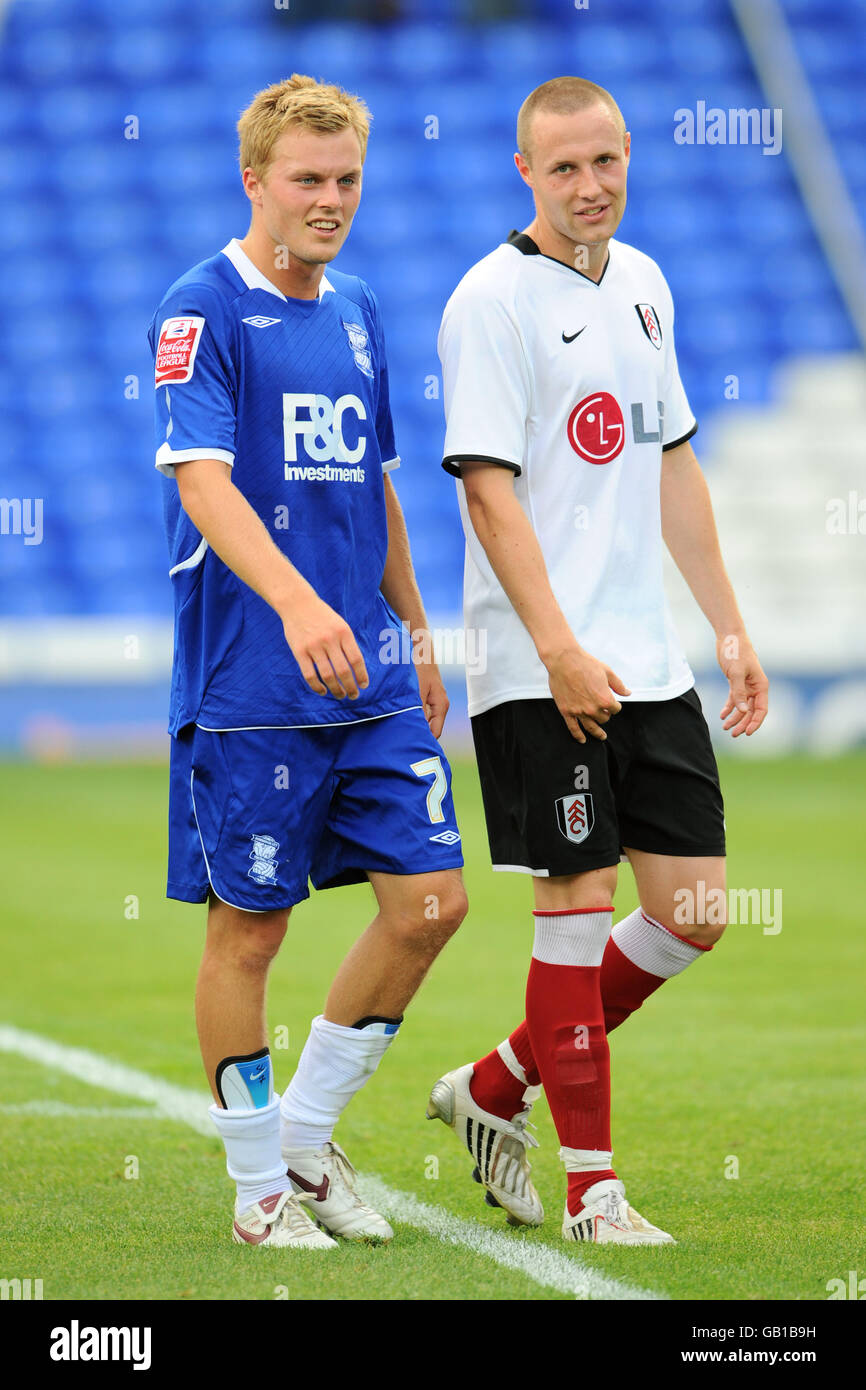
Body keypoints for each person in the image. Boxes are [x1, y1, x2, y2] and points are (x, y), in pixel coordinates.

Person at [428, 76, 768, 1245]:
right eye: (561, 168)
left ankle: (489, 1086)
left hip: (648, 660)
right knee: (574, 910)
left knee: (695, 909)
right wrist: (557, 648)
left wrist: (723, 623)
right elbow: (486, 490)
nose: (587, 187)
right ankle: (592, 1193)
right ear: (523, 171)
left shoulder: (644, 284)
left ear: (627, 154)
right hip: (540, 668)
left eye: (603, 163)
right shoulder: (488, 301)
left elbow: (672, 465)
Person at [148, 74, 466, 1250]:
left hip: (367, 671)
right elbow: (201, 477)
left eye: (346, 181)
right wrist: (292, 605)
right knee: (251, 931)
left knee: (432, 900)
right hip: (254, 679)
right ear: (255, 181)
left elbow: (373, 483)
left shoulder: (362, 308)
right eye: (306, 181)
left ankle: (308, 1134)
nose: (330, 201)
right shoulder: (203, 308)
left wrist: (418, 635)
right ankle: (257, 1192)